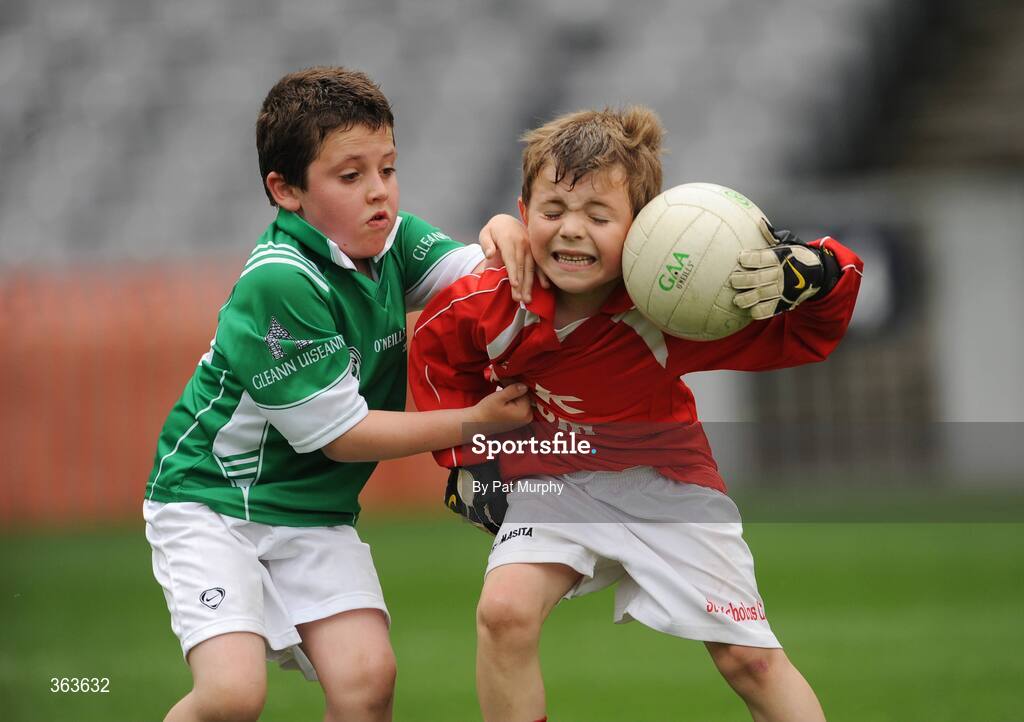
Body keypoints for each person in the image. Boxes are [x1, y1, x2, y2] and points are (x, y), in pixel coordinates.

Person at [409, 106, 864, 722]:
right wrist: (469, 460)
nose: (572, 230)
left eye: (598, 216)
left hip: (667, 481)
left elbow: (806, 332)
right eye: (553, 212)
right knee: (504, 614)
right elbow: (437, 356)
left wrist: (820, 271)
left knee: (749, 661)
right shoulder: (489, 299)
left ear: (642, 226)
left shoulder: (675, 308)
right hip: (554, 477)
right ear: (523, 214)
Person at [143, 66, 536, 722]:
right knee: (232, 695)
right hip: (212, 501)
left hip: (310, 514)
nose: (379, 192)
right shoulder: (281, 281)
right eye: (351, 176)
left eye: (388, 168)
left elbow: (484, 284)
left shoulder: (392, 244)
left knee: (367, 682)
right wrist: (474, 422)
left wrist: (506, 231)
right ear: (286, 189)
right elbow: (338, 435)